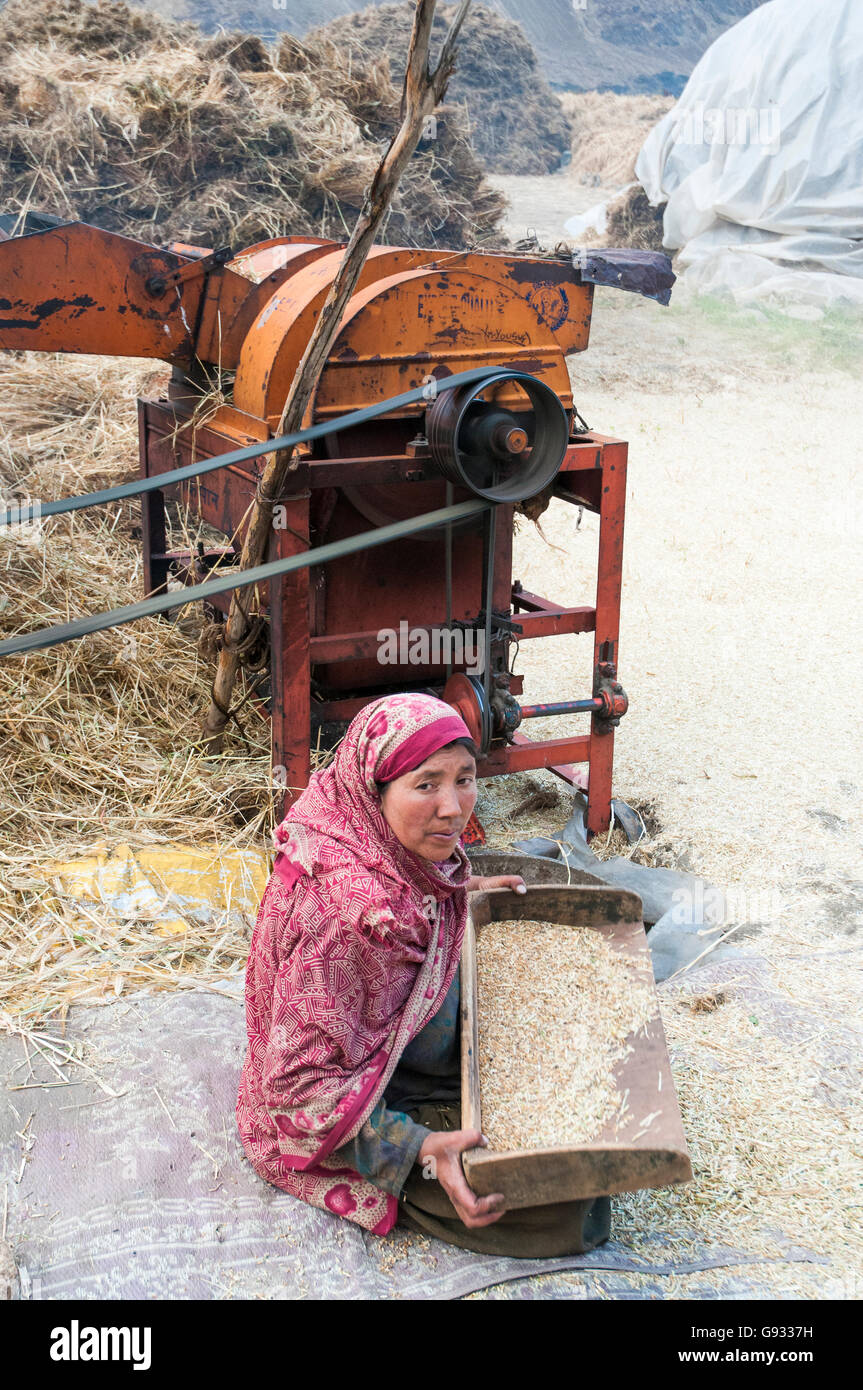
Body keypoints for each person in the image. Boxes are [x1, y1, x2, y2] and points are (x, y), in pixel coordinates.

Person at [237, 692, 610, 1255]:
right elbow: (293, 1094)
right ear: (375, 789)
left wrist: (464, 894)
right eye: (426, 784)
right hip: (343, 1101)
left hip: (387, 1046)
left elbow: (421, 891)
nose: (454, 808)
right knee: (571, 1211)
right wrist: (416, 1149)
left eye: (464, 778)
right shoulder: (349, 920)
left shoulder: (371, 838)